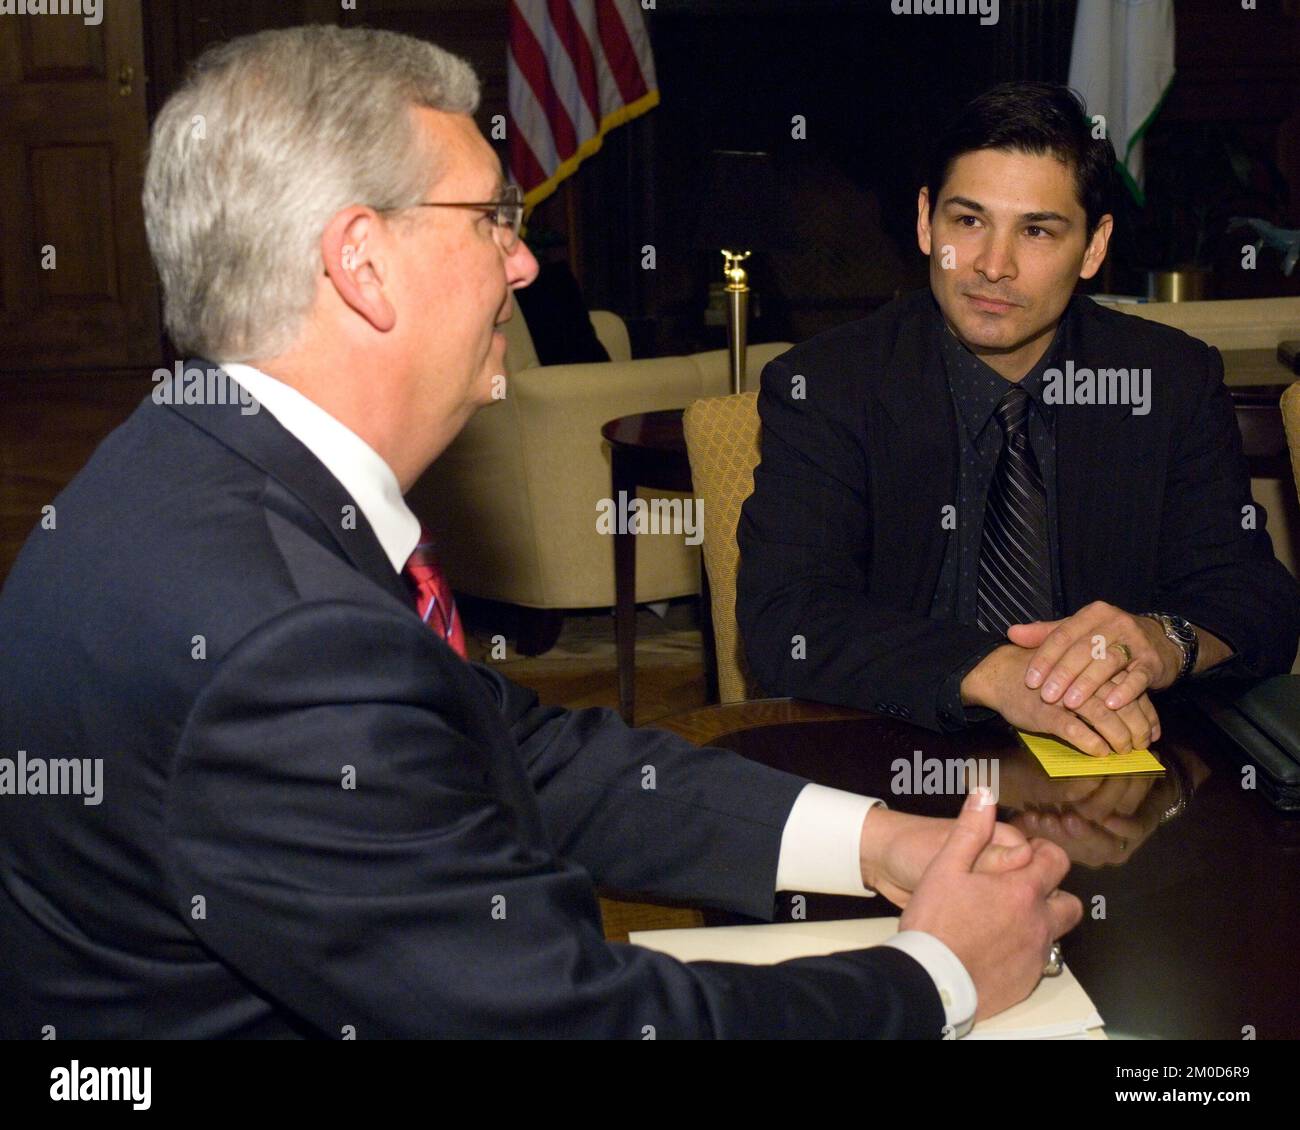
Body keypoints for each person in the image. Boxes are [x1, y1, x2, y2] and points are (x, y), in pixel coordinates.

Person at [0, 28, 1080, 1040]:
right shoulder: (279, 638)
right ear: (361, 262)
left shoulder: (189, 457)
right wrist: (937, 969)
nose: (521, 265)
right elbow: (571, 1024)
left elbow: (511, 752)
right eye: (491, 219)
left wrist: (877, 838)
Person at [737, 81, 1300, 757]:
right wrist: (996, 672)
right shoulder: (830, 385)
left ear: (1093, 248)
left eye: (1036, 231)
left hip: (1115, 770)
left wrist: (1160, 641)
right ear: (925, 222)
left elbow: (1254, 597)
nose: (992, 266)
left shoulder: (1167, 379)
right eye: (967, 221)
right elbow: (787, 622)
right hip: (893, 760)